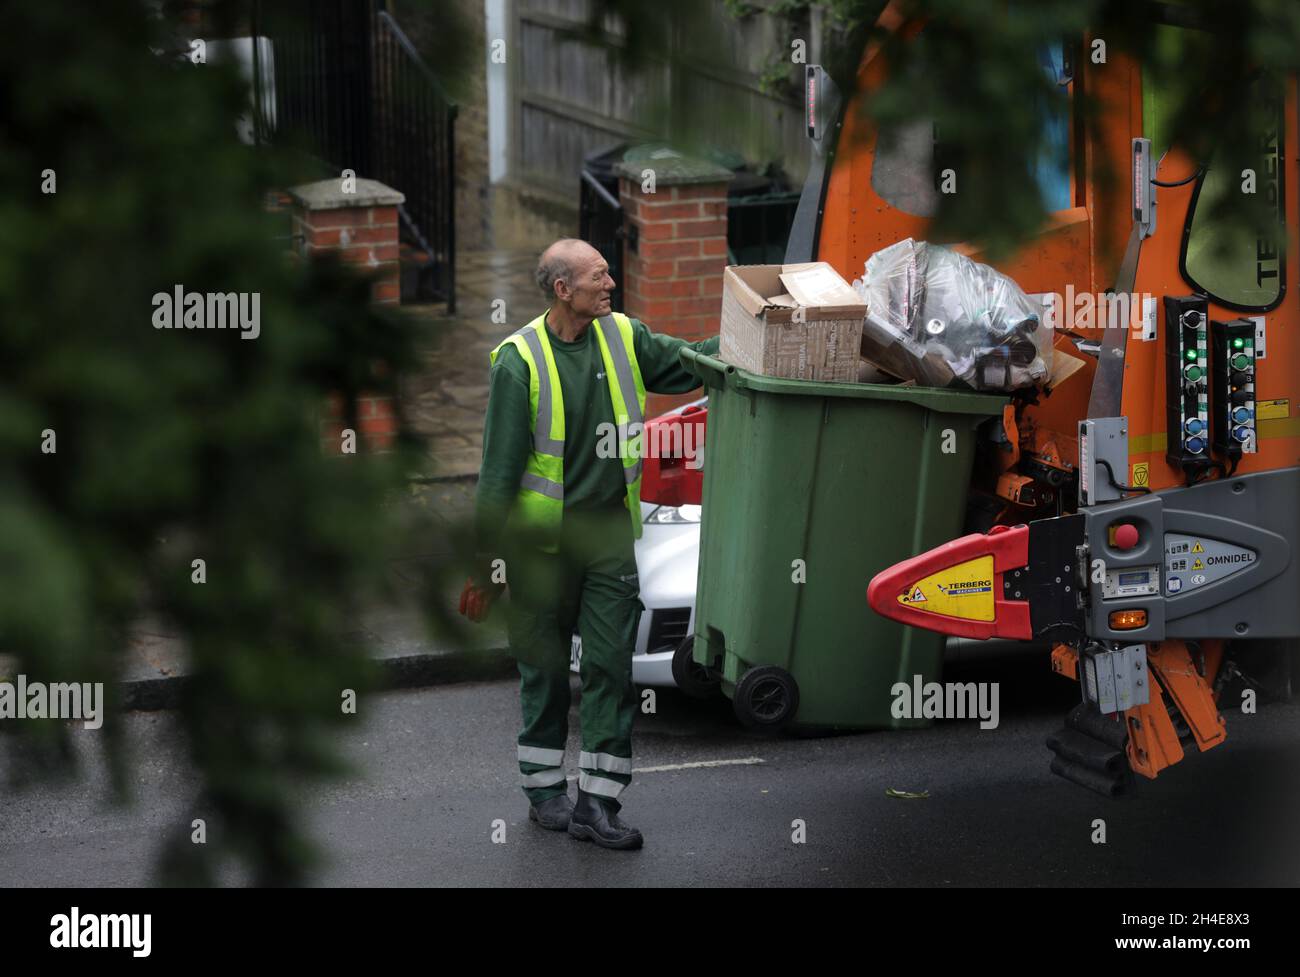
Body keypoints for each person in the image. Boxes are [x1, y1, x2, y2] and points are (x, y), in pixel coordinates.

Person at [459, 238, 719, 850]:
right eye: (598, 276)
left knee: (608, 668)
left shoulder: (622, 334)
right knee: (545, 672)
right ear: (562, 290)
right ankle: (544, 790)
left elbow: (687, 362)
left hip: (606, 539)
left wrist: (747, 332)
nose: (610, 283)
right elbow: (496, 479)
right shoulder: (517, 362)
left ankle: (597, 804)